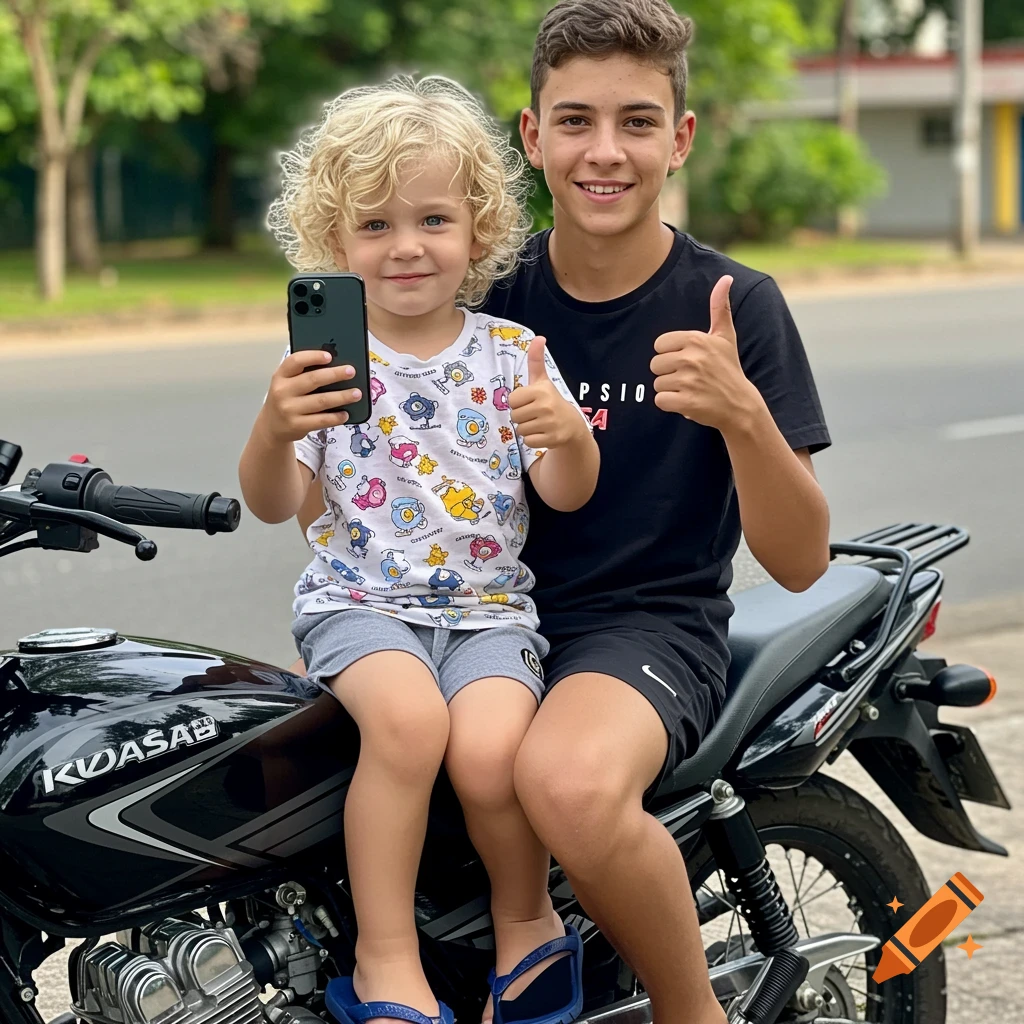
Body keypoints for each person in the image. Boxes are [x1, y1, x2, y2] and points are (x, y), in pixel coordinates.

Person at [240, 76, 599, 1024]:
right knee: (407, 727)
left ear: (479, 231)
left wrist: (567, 433)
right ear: (334, 242)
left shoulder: (512, 351)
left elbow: (567, 493)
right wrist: (275, 431)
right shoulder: (324, 364)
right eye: (376, 224)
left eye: (435, 218)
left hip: (485, 611)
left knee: (491, 755)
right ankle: (385, 954)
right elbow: (280, 505)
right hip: (359, 605)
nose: (406, 246)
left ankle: (524, 924)